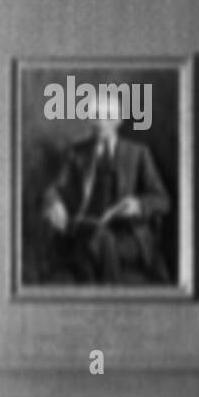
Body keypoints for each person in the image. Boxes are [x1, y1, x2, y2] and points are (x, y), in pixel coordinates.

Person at [41, 92, 171, 284]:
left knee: (100, 243)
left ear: (118, 120)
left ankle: (106, 297)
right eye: (95, 116)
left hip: (127, 236)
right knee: (94, 241)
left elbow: (162, 200)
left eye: (107, 116)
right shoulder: (77, 153)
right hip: (86, 228)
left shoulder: (138, 153)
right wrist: (54, 203)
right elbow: (56, 188)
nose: (100, 122)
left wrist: (137, 205)